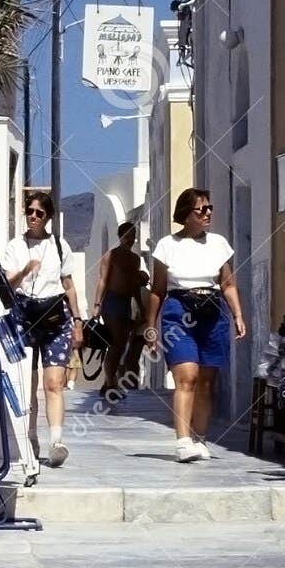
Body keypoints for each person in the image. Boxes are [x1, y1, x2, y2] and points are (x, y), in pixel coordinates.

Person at [147, 188, 247, 462]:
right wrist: (151, 326)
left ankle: (200, 438)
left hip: (213, 311)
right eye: (201, 209)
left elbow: (228, 284)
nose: (208, 213)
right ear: (186, 214)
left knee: (205, 381)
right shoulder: (167, 246)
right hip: (179, 310)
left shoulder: (218, 244)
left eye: (209, 208)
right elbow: (157, 290)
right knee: (187, 376)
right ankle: (182, 441)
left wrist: (237, 315)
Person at [2, 192, 83, 468]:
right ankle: (31, 437)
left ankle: (56, 442)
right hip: (24, 316)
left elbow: (69, 284)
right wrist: (25, 270)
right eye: (30, 211)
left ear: (48, 217)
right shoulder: (15, 246)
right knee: (28, 382)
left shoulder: (59, 245)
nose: (34, 217)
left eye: (40, 213)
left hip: (55, 317)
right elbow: (8, 286)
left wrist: (78, 321)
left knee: (54, 382)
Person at [92, 221, 147, 402]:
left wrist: (140, 306)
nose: (130, 240)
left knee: (121, 345)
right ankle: (111, 384)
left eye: (132, 236)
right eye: (126, 236)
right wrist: (97, 304)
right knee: (115, 344)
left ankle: (108, 382)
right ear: (120, 237)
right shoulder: (111, 255)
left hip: (125, 302)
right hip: (112, 301)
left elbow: (134, 286)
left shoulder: (135, 259)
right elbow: (103, 280)